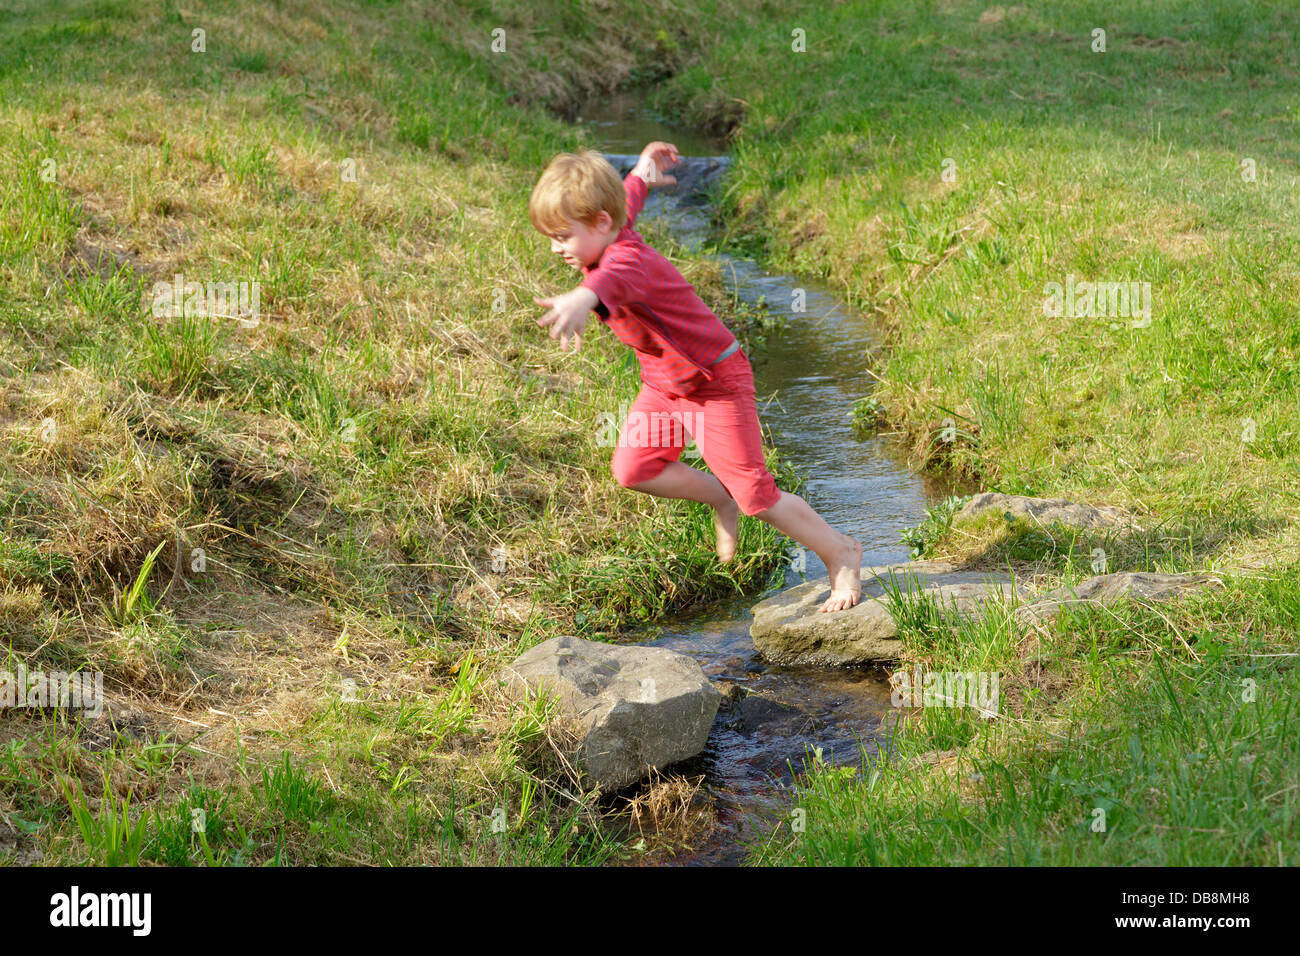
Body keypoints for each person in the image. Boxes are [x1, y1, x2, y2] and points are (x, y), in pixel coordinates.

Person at [529, 143, 862, 613]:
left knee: (757, 494)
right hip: (664, 385)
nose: (555, 247)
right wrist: (643, 173)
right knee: (632, 469)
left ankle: (840, 551)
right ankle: (719, 496)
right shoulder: (612, 224)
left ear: (601, 223)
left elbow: (608, 280)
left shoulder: (625, 261)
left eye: (562, 236)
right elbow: (629, 198)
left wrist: (580, 299)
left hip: (714, 383)